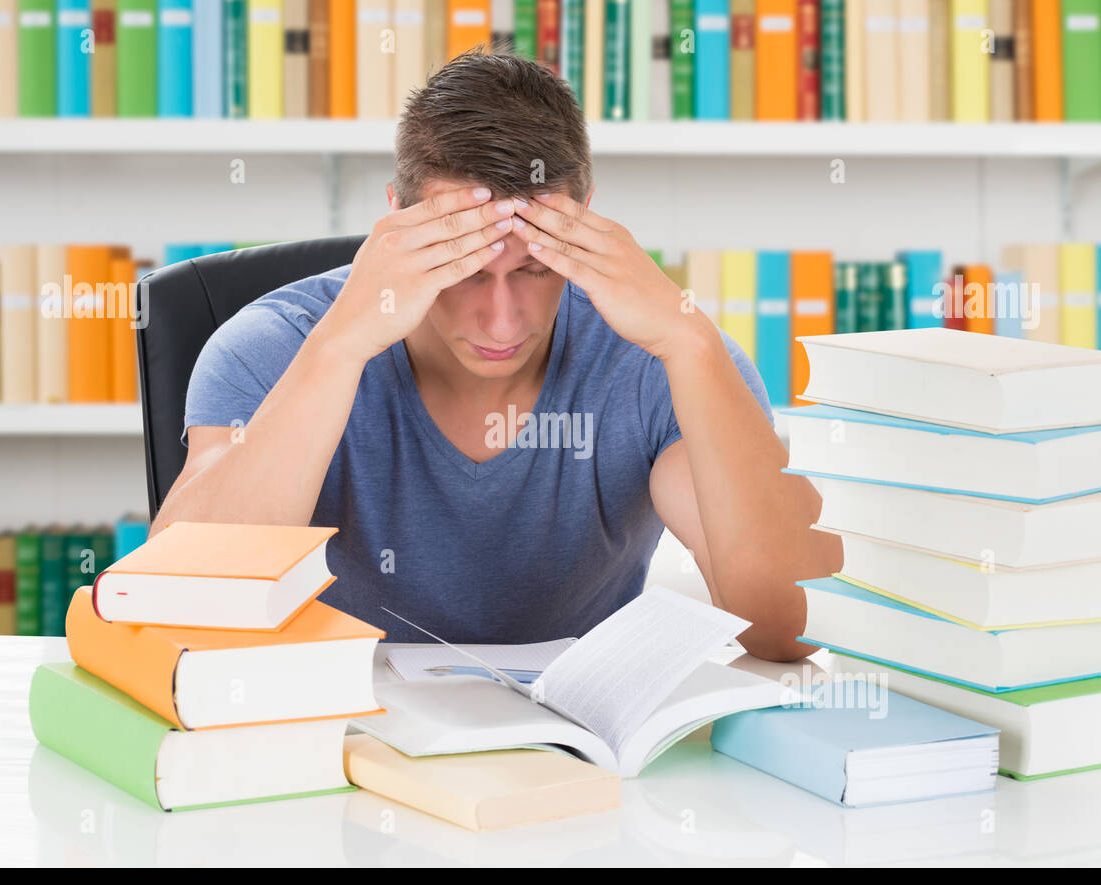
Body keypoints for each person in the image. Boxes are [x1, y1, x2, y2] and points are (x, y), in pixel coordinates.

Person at [156, 52, 841, 659]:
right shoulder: (277, 343)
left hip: (580, 766)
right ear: (396, 221)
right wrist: (338, 349)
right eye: (463, 267)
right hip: (333, 749)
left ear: (586, 218)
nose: (502, 318)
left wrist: (689, 340)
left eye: (537, 268)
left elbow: (790, 626)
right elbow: (184, 601)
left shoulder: (663, 360)